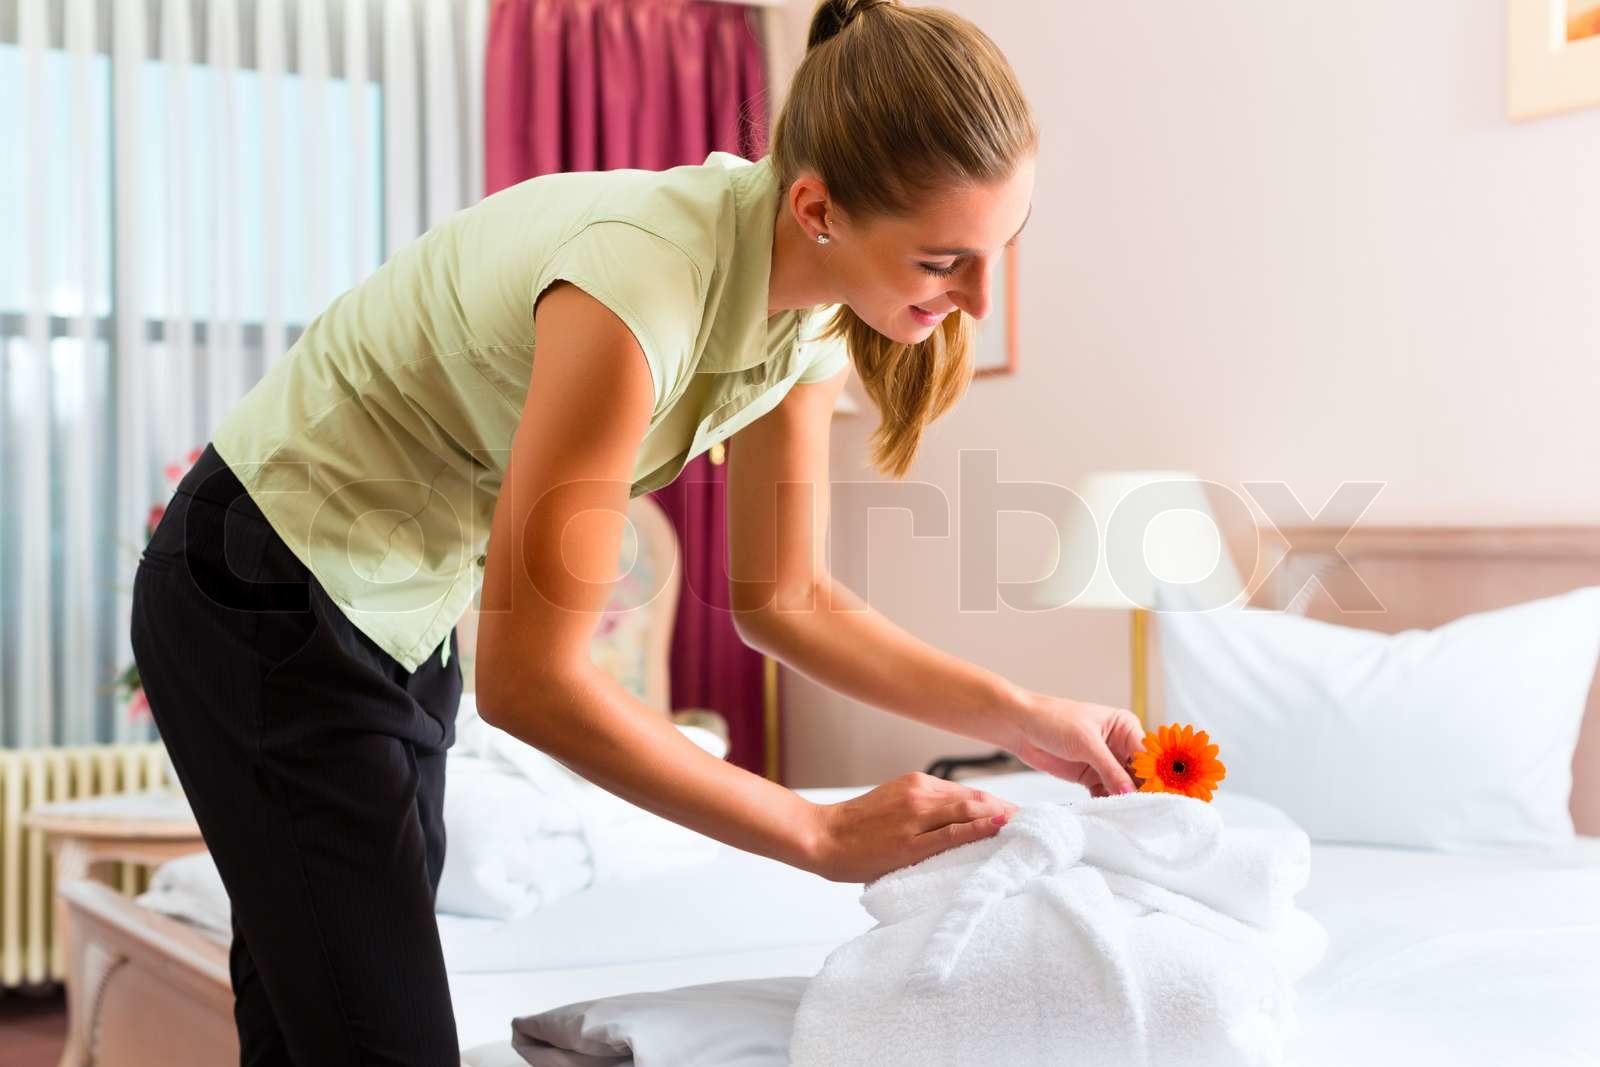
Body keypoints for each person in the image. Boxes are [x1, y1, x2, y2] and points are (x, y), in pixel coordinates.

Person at [129, 1, 1145, 1063]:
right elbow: (531, 681)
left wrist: (1028, 713)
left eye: (997, 250)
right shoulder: (640, 282)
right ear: (817, 207)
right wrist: (817, 830)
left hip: (402, 607)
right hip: (265, 586)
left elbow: (783, 595)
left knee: (311, 1005)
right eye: (944, 261)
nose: (979, 296)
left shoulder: (808, 324)